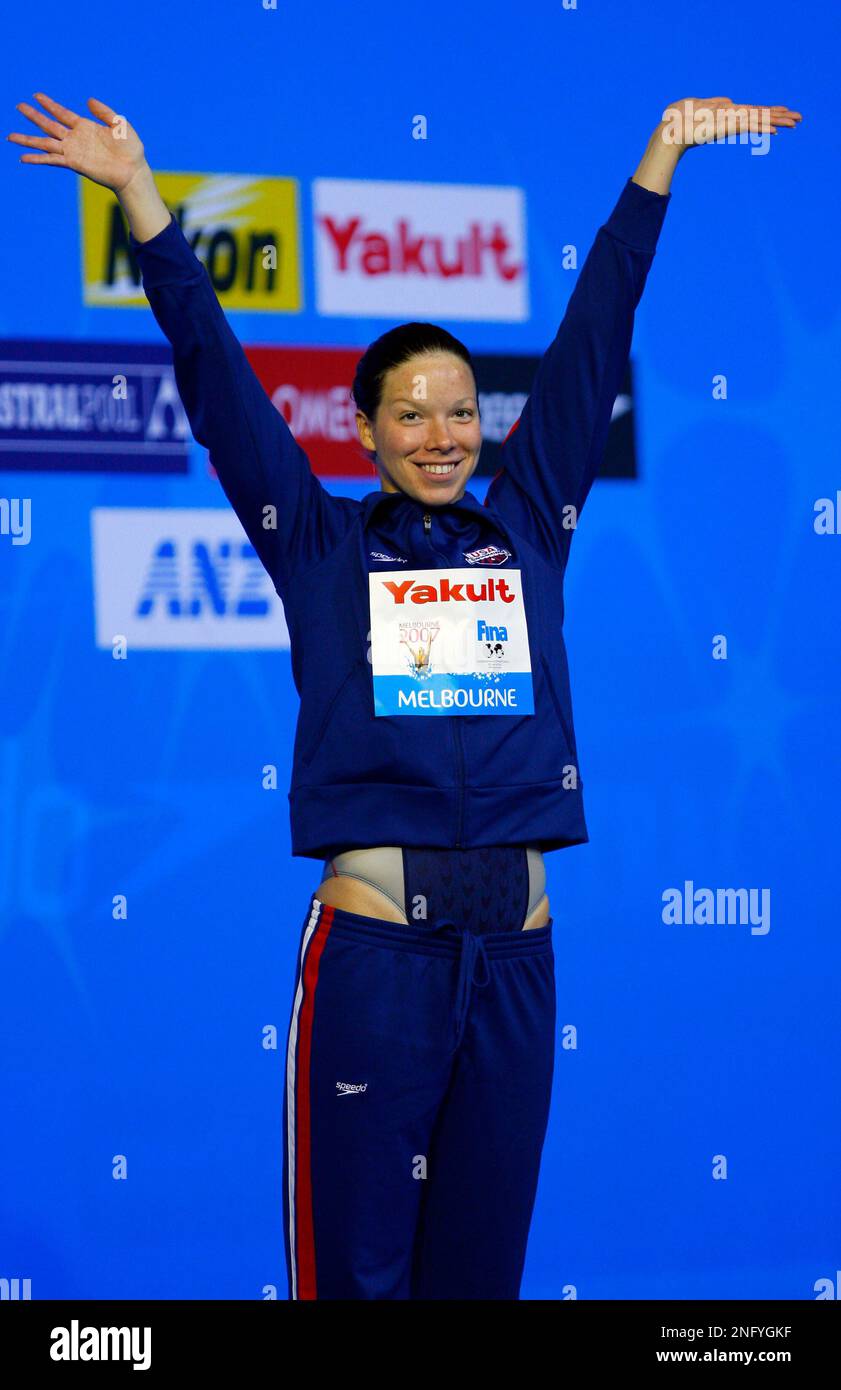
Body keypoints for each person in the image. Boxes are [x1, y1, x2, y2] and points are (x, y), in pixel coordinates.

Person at [8, 91, 801, 1300]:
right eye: (412, 415)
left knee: (478, 1286)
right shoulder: (318, 546)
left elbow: (594, 339)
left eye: (462, 412)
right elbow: (218, 382)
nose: (442, 434)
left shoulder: (530, 524)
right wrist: (140, 200)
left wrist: (660, 160)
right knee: (358, 1282)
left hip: (517, 962)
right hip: (378, 959)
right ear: (365, 432)